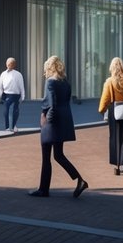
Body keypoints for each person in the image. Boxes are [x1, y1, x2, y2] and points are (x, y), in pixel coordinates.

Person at [29, 55, 89, 199]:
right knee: (59, 155)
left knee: (46, 157)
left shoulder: (50, 82)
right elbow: (65, 102)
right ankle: (80, 180)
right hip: (63, 120)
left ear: (49, 67)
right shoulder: (65, 83)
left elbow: (51, 103)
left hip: (52, 121)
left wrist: (45, 119)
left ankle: (43, 190)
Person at [99, 57, 123, 175]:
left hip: (114, 110)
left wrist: (101, 110)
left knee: (114, 137)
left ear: (112, 67)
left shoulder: (109, 81)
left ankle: (117, 165)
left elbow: (105, 99)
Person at [0, 57, 25, 132]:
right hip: (11, 94)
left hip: (12, 94)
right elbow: (0, 86)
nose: (9, 65)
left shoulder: (15, 74)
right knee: (11, 110)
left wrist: (1, 95)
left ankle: (10, 127)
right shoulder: (6, 74)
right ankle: (10, 126)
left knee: (11, 110)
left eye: (10, 63)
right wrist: (22, 97)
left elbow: (0, 86)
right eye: (8, 63)